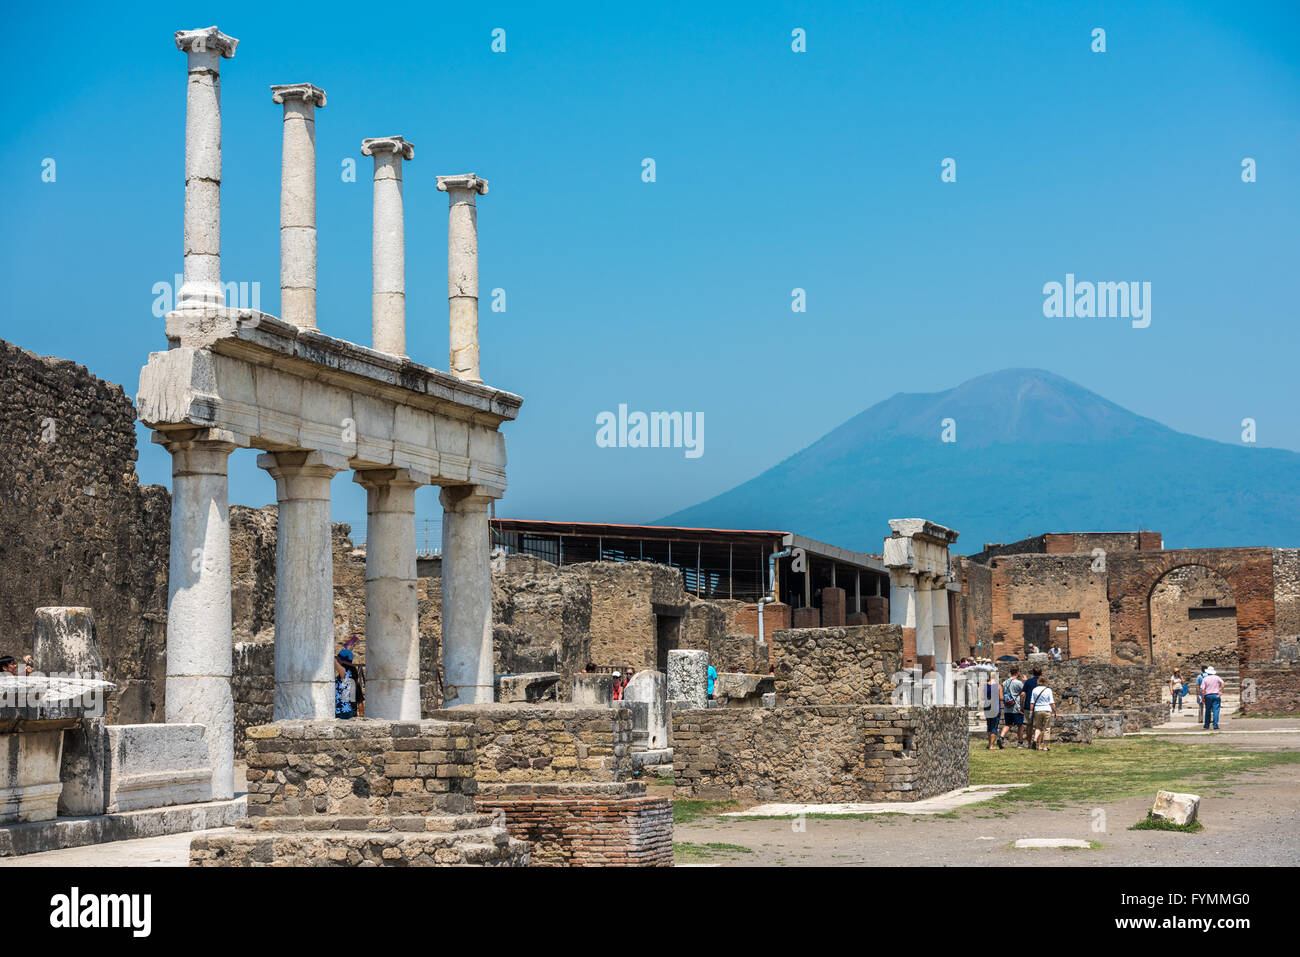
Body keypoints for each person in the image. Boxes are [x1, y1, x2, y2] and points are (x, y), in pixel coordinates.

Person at [1029, 677, 1057, 750]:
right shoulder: (1048, 690)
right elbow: (1051, 702)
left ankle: (1035, 741)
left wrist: (1031, 712)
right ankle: (1045, 747)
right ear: (1046, 681)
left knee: (1038, 727)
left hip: (1037, 710)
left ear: (1038, 681)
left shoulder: (1034, 690)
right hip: (1047, 710)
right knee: (1047, 728)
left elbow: (1032, 702)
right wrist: (1055, 712)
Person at [1000, 667, 1026, 747]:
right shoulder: (1018, 683)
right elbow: (1023, 693)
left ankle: (1001, 738)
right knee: (1020, 725)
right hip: (1016, 707)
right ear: (1018, 672)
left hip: (1007, 707)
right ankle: (1020, 743)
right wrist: (1025, 682)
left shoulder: (1005, 683)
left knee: (1008, 724)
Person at [334, 649, 362, 719]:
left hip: (343, 712)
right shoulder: (348, 674)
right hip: (342, 712)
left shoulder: (345, 673)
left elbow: (335, 663)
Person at [983, 670, 1004, 749]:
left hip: (987, 706)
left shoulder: (985, 685)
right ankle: (992, 745)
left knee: (989, 725)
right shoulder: (998, 686)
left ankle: (989, 744)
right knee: (994, 726)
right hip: (995, 706)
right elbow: (1001, 697)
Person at [1200, 666, 1224, 730]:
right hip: (1216, 695)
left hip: (1207, 695)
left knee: (1208, 710)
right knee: (1216, 711)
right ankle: (1215, 725)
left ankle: (1207, 725)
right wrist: (1220, 691)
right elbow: (1222, 683)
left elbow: (1202, 689)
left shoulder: (1205, 679)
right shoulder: (1217, 677)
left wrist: (1202, 698)